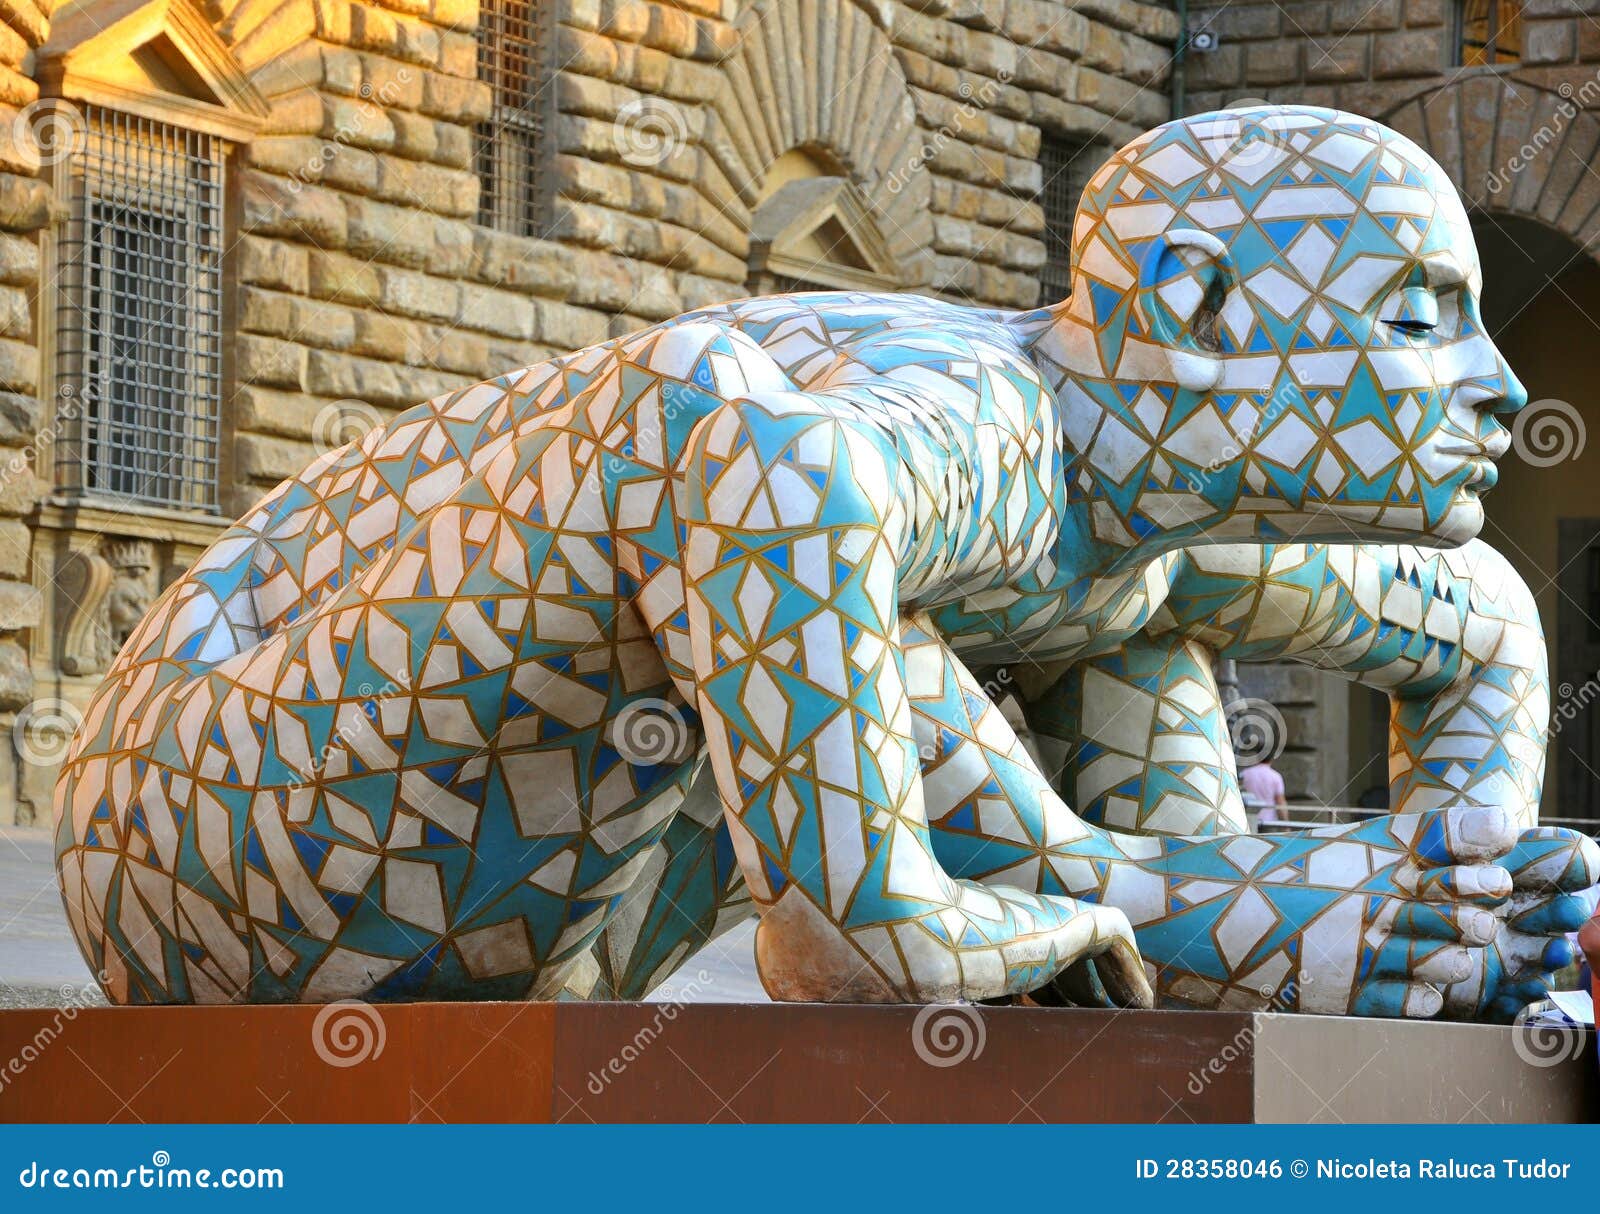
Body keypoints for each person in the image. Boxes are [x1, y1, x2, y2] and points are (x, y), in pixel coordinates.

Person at [54, 105, 1599, 1018]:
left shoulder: (1160, 508)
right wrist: (877, 902)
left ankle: (1207, 918)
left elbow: (1490, 633)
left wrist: (1469, 897)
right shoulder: (985, 417)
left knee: (1120, 623)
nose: (1491, 388)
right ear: (1194, 313)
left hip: (529, 938)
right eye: (1413, 314)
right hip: (195, 817)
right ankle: (949, 913)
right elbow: (749, 469)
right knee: (720, 453)